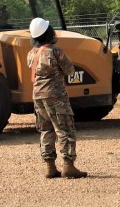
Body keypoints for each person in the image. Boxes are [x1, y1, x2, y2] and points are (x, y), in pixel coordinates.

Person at [27, 16, 87, 179]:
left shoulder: (31, 53)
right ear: (48, 33)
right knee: (65, 129)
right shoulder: (55, 51)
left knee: (46, 130)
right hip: (55, 96)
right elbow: (69, 70)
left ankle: (50, 167)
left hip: (38, 96)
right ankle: (68, 166)